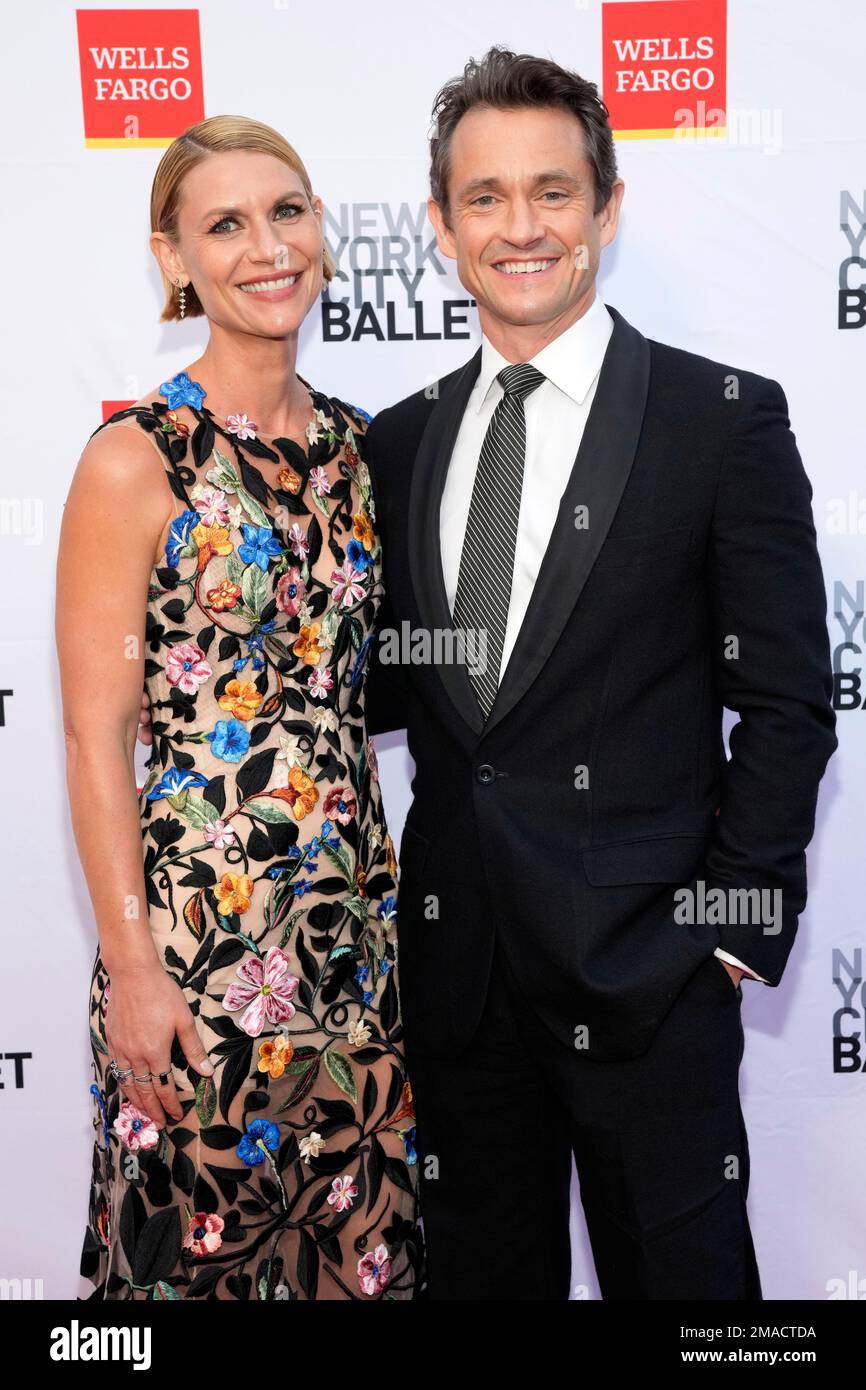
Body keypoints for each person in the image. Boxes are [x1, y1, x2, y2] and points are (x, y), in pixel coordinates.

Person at [348, 47, 837, 1298]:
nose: (520, 227)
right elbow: (414, 689)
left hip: (650, 976)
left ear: (606, 209)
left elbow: (785, 700)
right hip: (459, 984)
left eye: (552, 192)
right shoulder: (396, 443)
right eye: (486, 197)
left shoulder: (716, 417)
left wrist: (721, 939)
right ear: (441, 226)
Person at [58, 115, 423, 1301]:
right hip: (197, 949)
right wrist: (134, 965)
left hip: (353, 945)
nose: (268, 246)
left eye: (287, 210)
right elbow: (94, 734)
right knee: (190, 1264)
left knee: (354, 1259)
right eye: (224, 223)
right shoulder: (138, 457)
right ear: (174, 257)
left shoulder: (362, 451)